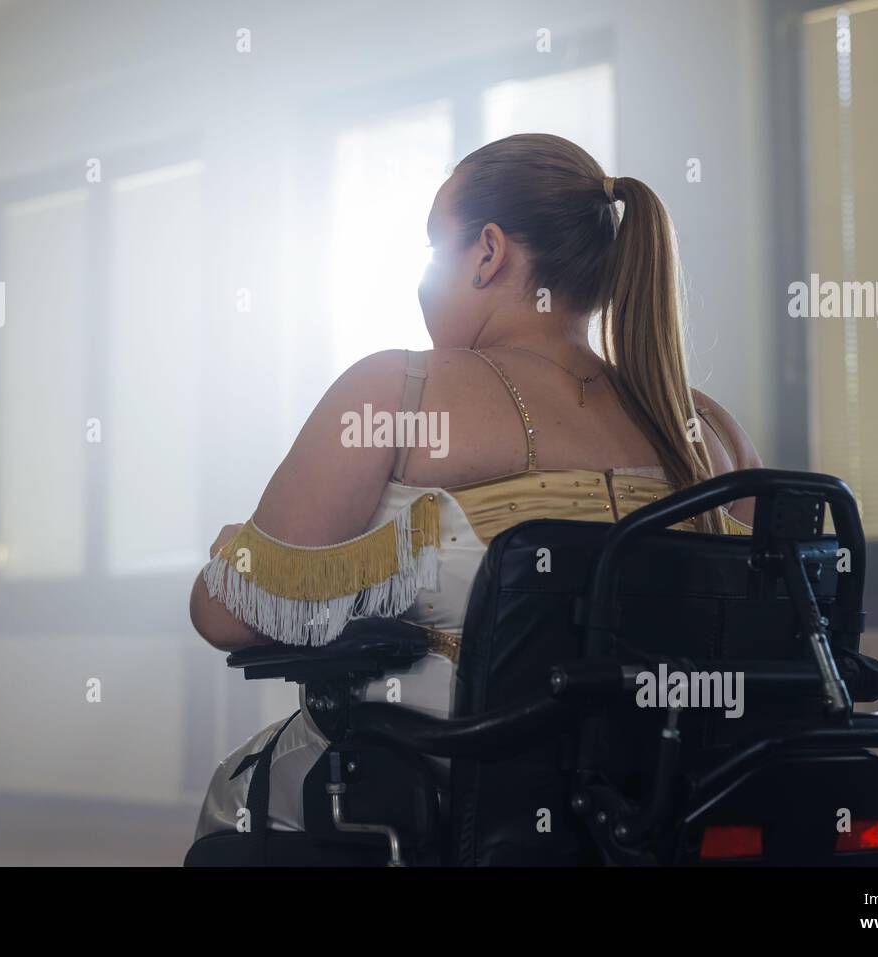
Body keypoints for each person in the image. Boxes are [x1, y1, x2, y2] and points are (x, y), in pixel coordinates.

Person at [187, 132, 761, 848]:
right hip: (667, 802)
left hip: (450, 789)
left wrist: (239, 555)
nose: (422, 281)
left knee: (230, 797)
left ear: (489, 252)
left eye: (434, 249)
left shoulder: (402, 391)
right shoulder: (707, 428)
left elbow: (225, 614)